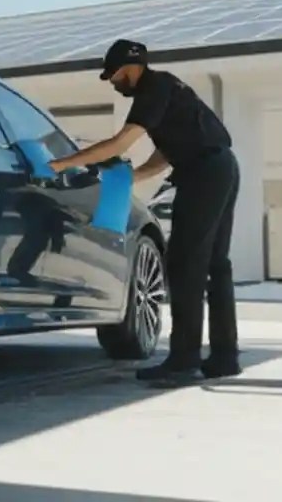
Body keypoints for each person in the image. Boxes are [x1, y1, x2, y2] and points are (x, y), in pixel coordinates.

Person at [49, 39, 240, 387]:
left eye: (115, 74)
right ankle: (226, 357)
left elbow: (120, 143)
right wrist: (128, 178)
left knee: (184, 264)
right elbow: (165, 156)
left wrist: (61, 163)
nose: (112, 81)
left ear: (132, 66)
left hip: (205, 173)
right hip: (222, 166)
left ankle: (184, 359)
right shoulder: (167, 88)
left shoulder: (152, 89)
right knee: (215, 264)